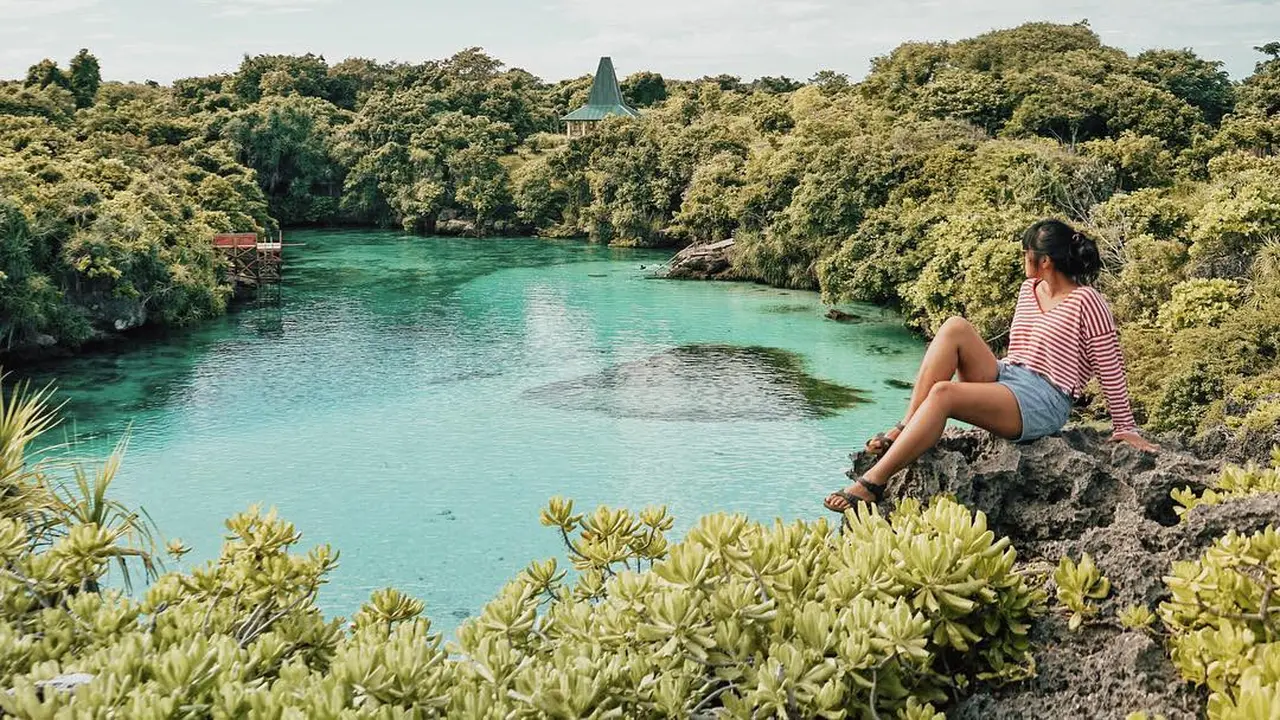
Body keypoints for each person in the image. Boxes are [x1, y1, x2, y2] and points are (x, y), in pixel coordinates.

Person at [825, 219, 1159, 513]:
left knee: (943, 394)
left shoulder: (1088, 301)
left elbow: (1110, 365)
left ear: (1044, 260)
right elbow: (1020, 351)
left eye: (1025, 252)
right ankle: (907, 424)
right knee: (955, 325)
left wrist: (1125, 427)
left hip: (1045, 399)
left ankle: (874, 482)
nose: (1022, 258)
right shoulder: (1030, 289)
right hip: (1010, 376)